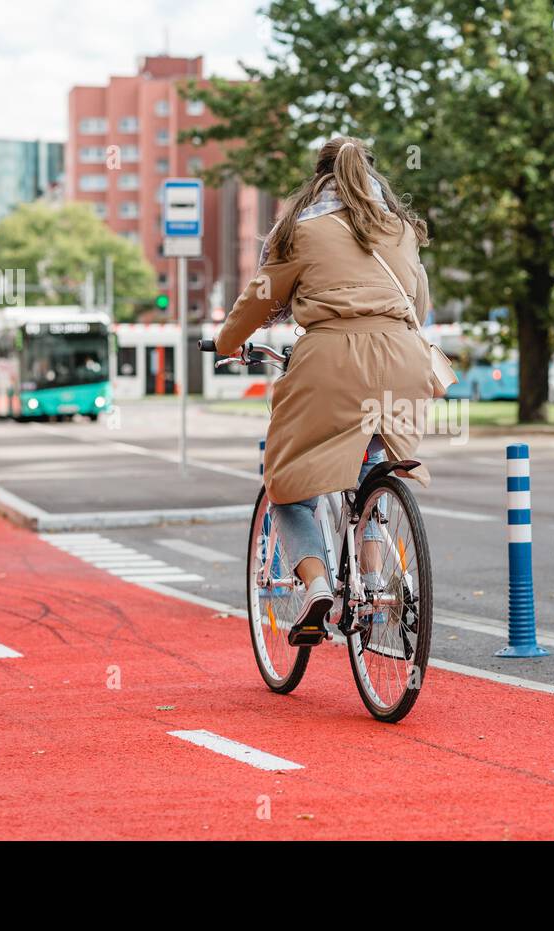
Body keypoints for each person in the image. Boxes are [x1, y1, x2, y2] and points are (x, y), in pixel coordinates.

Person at [215, 136, 435, 645]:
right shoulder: (400, 229)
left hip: (334, 361)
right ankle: (375, 581)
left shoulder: (302, 230)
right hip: (405, 361)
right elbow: (417, 302)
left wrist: (229, 341)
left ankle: (316, 587)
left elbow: (260, 297)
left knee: (285, 479)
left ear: (318, 177)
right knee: (370, 470)